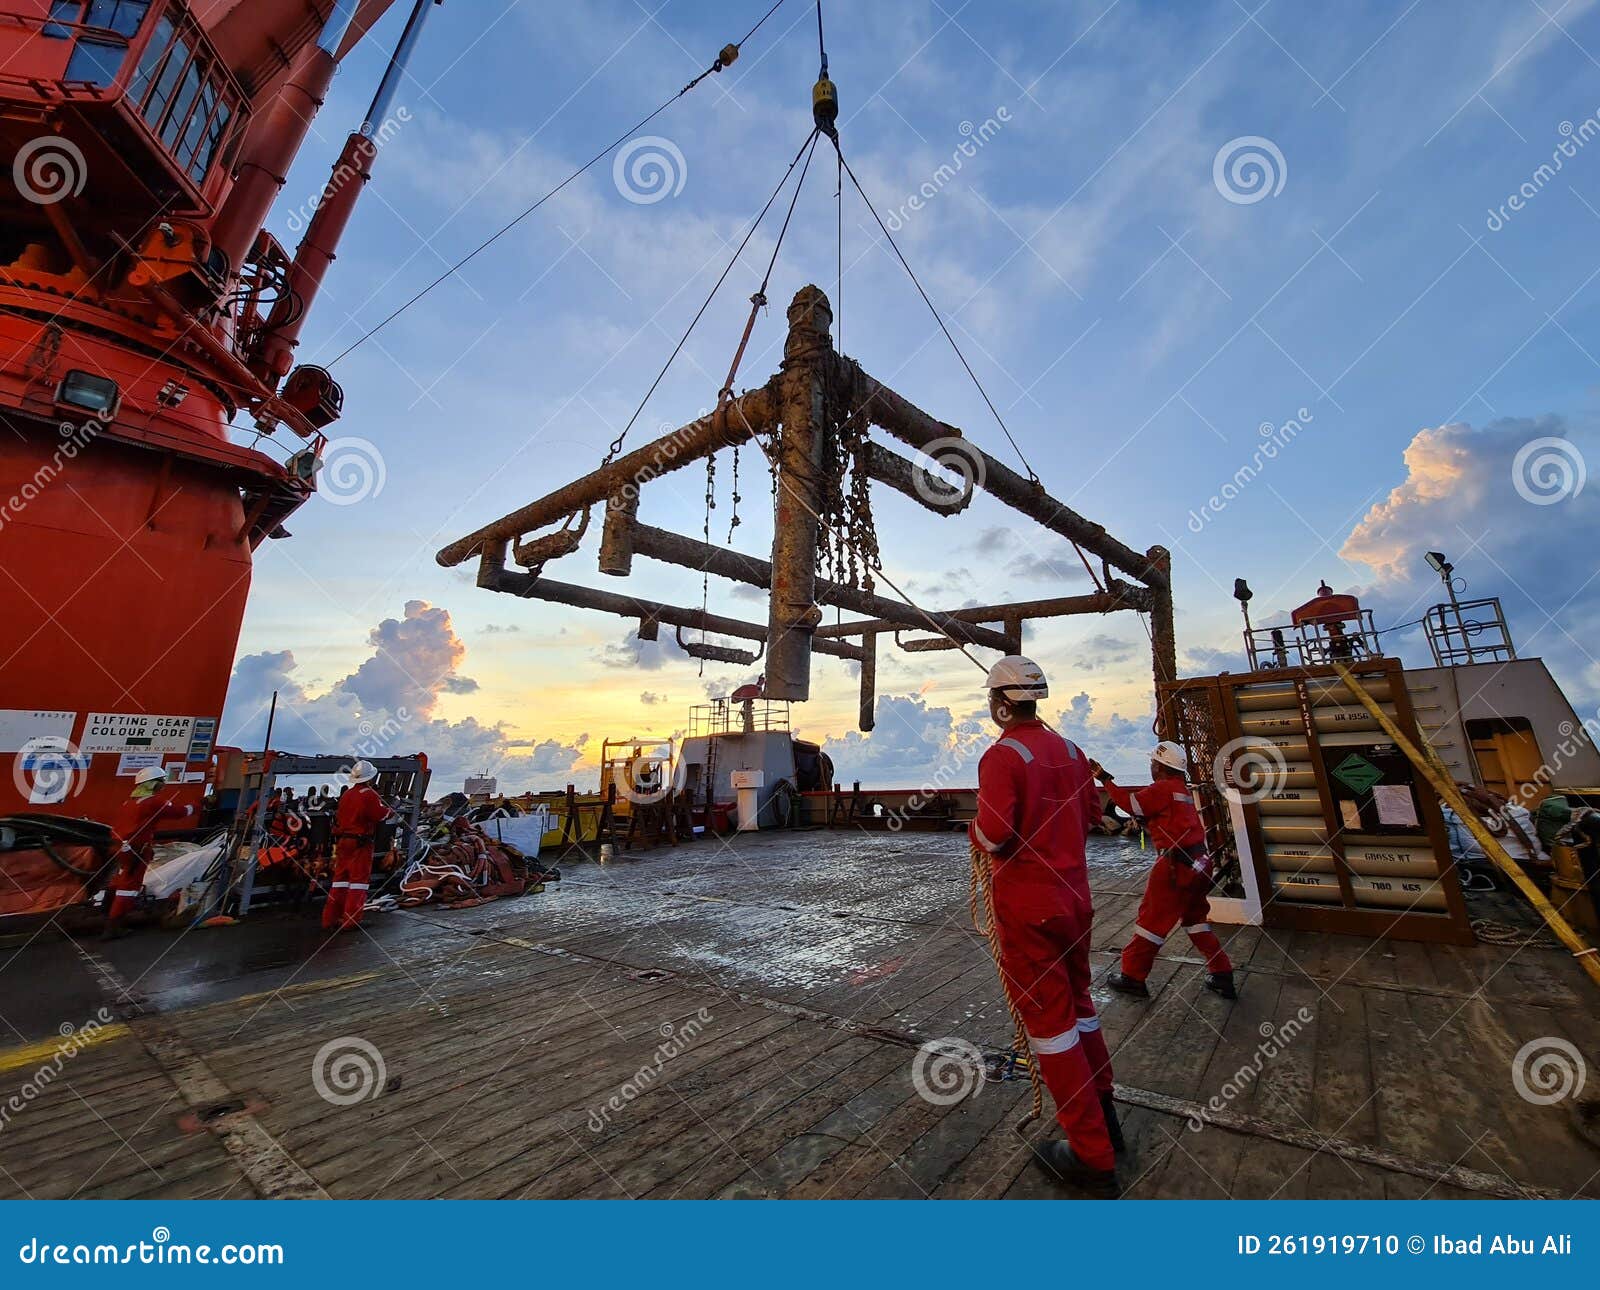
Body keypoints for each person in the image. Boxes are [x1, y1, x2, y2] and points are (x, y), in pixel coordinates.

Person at [970, 655, 1120, 1191]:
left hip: (1029, 912)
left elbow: (994, 833)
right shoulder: (1074, 752)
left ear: (1000, 704)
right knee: (1080, 1008)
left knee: (1051, 1031)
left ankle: (1093, 1155)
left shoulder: (1002, 756)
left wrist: (975, 835)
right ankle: (1108, 1118)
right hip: (1075, 903)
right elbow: (1091, 817)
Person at [1097, 742, 1237, 1001]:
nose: (1150, 767)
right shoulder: (1180, 791)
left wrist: (1104, 778)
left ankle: (1132, 977)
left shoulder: (1162, 788)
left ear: (1160, 766)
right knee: (1195, 921)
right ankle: (1222, 974)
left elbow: (1131, 804)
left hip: (1175, 866)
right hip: (1199, 864)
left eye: (1152, 763)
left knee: (1151, 922)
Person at [104, 766, 194, 938]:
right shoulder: (153, 802)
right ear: (153, 784)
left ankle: (107, 910)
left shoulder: (129, 803)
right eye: (161, 782)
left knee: (121, 879)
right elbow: (179, 812)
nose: (163, 786)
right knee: (129, 886)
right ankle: (113, 925)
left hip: (119, 847)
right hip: (136, 849)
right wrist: (200, 805)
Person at [323, 760, 392, 933]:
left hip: (343, 842)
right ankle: (351, 921)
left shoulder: (346, 795)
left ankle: (329, 919)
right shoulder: (369, 794)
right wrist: (392, 809)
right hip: (360, 843)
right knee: (358, 882)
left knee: (340, 880)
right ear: (371, 778)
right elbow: (379, 815)